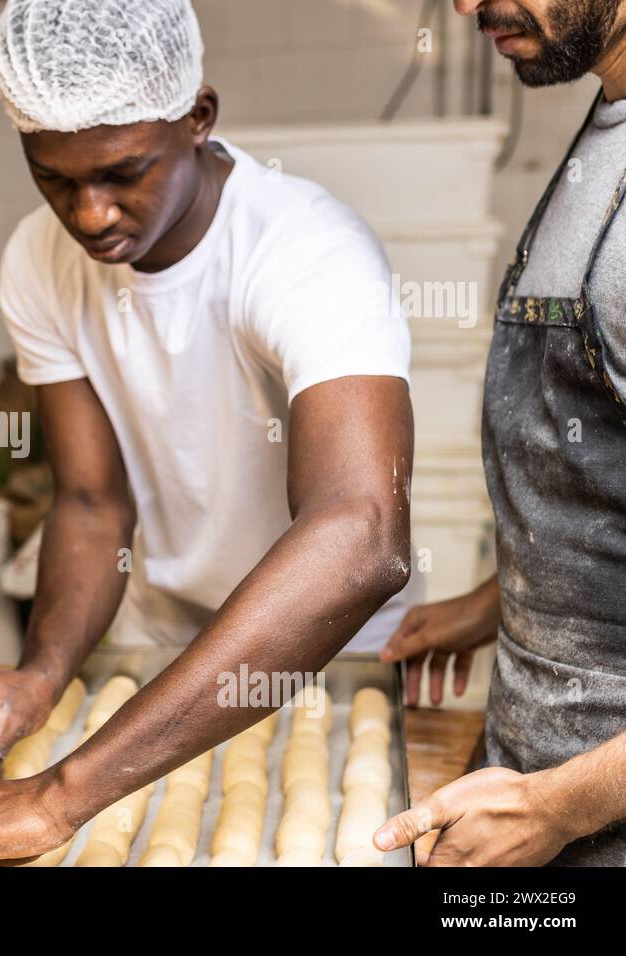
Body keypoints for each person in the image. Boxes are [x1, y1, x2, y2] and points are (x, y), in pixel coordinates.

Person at [0, 0, 418, 865]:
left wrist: (58, 797)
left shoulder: (306, 249)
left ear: (199, 116)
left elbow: (361, 535)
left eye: (124, 173)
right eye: (53, 179)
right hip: (159, 665)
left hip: (324, 668)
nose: (89, 216)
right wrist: (42, 677)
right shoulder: (36, 263)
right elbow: (90, 503)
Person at [377, 0, 626, 866]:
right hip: (523, 789)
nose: (464, 3)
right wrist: (501, 603)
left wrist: (557, 807)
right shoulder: (608, 119)